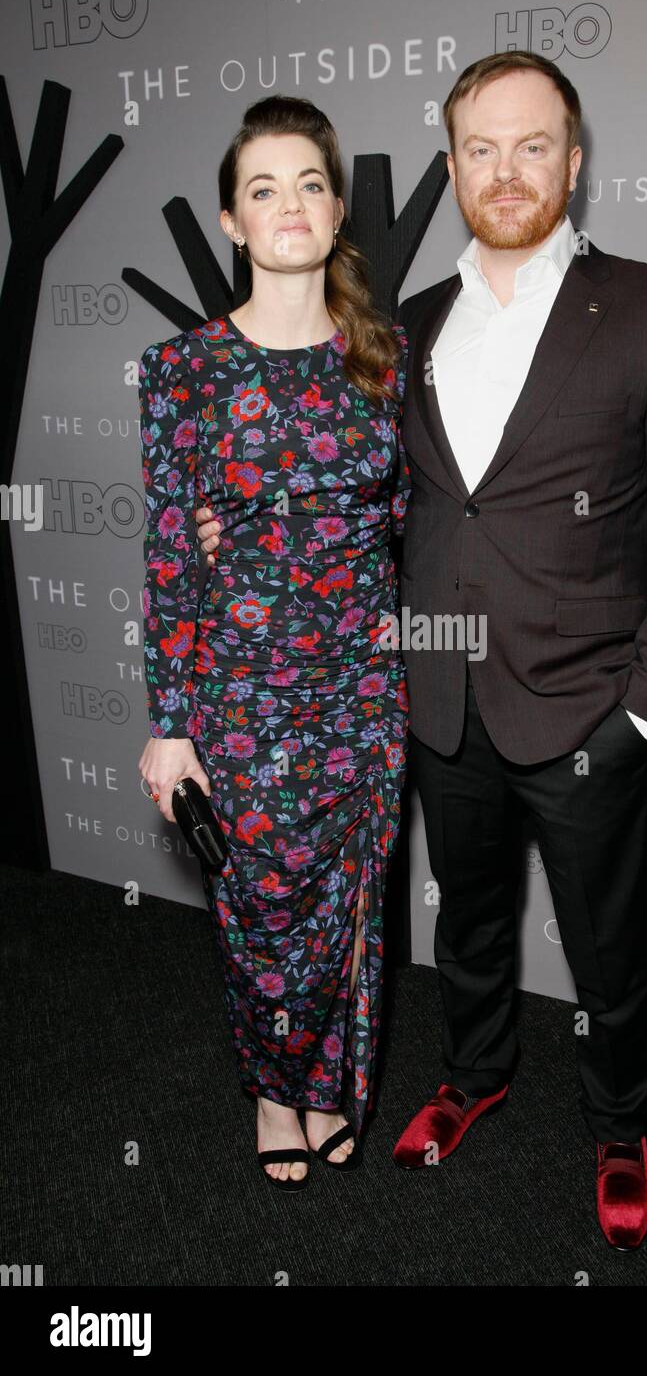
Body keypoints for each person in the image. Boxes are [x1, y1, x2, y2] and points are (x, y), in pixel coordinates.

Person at [196, 52, 647, 1247]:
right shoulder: (403, 328)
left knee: (608, 945)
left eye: (531, 144)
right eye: (480, 150)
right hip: (436, 700)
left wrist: (642, 712)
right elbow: (366, 501)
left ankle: (616, 1123)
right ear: (450, 168)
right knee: (468, 924)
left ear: (572, 162)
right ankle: (473, 1074)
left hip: (589, 706)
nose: (505, 171)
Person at [137, 95, 411, 1190]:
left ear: (335, 209)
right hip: (238, 695)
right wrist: (169, 726)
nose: (287, 204)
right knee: (257, 906)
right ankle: (269, 1087)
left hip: (360, 690)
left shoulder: (382, 362)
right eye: (263, 188)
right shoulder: (182, 371)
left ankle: (326, 1086)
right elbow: (167, 554)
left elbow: (399, 524)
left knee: (349, 901)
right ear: (231, 221)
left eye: (307, 182)